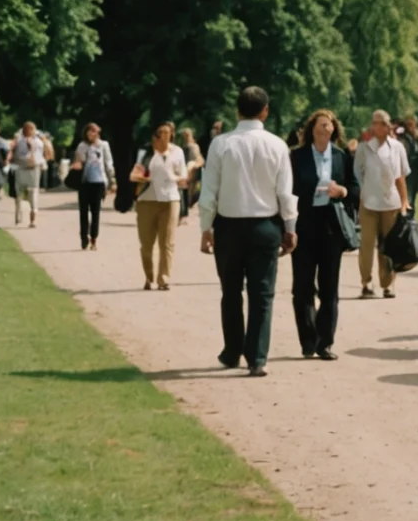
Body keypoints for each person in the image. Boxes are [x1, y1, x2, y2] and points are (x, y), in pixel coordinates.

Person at [197, 87, 298, 377]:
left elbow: (210, 190)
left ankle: (232, 351)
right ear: (265, 111)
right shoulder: (277, 145)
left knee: (230, 291)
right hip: (265, 224)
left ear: (237, 110)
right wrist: (290, 227)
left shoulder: (221, 144)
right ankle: (257, 356)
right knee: (262, 293)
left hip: (229, 224)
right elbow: (285, 193)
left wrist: (206, 227)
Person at [289, 109, 356, 360]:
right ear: (311, 129)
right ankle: (308, 340)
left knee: (330, 288)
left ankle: (325, 342)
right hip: (305, 225)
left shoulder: (341, 156)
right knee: (303, 287)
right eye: (319, 125)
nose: (324, 129)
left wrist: (342, 192)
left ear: (334, 129)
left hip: (331, 228)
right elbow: (288, 189)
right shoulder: (297, 156)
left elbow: (354, 188)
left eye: (328, 125)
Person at [354, 109, 411, 299]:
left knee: (388, 246)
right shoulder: (364, 148)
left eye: (382, 123)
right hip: (369, 203)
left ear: (389, 126)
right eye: (375, 122)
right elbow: (358, 174)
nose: (378, 126)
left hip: (391, 203)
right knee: (367, 244)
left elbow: (400, 176)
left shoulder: (397, 148)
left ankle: (387, 283)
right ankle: (366, 282)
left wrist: (404, 201)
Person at [130, 122, 189, 291]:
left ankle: (163, 279)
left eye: (167, 133)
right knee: (147, 243)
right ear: (155, 136)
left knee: (167, 242)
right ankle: (149, 278)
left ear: (172, 135)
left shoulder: (177, 152)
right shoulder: (146, 153)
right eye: (161, 133)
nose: (164, 136)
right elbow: (135, 174)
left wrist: (176, 177)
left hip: (170, 200)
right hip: (147, 200)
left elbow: (183, 173)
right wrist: (141, 177)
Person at [71, 123, 116, 250]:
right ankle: (83, 237)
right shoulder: (82, 146)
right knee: (83, 211)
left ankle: (94, 238)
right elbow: (79, 161)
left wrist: (112, 180)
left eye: (93, 132)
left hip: (99, 181)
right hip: (85, 182)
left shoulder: (103, 145)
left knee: (96, 212)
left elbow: (108, 163)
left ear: (98, 133)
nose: (91, 134)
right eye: (88, 132)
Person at [10, 122, 47, 228]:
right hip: (26, 168)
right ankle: (22, 215)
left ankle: (29, 218)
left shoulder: (36, 141)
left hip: (30, 169)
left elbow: (39, 155)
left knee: (30, 193)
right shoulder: (21, 140)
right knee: (24, 193)